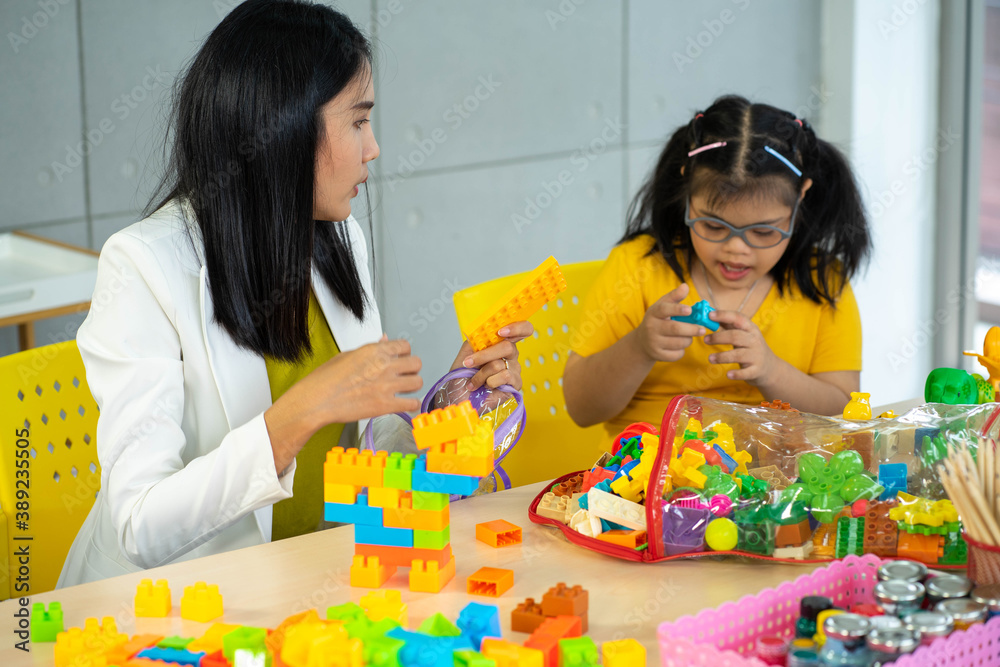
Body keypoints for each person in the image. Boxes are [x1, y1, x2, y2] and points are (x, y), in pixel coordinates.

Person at [57, 0, 530, 586]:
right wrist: (301, 413)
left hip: (317, 580)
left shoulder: (338, 237)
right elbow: (141, 524)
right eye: (358, 121)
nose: (374, 147)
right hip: (181, 603)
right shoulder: (143, 267)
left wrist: (448, 411)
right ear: (283, 127)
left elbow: (364, 449)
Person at [563, 95, 871, 438]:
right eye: (713, 226)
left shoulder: (821, 281)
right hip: (646, 472)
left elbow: (842, 412)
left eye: (763, 231)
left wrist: (770, 372)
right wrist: (639, 347)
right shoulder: (638, 267)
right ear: (687, 192)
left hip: (777, 478)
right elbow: (581, 408)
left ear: (801, 197)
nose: (736, 249)